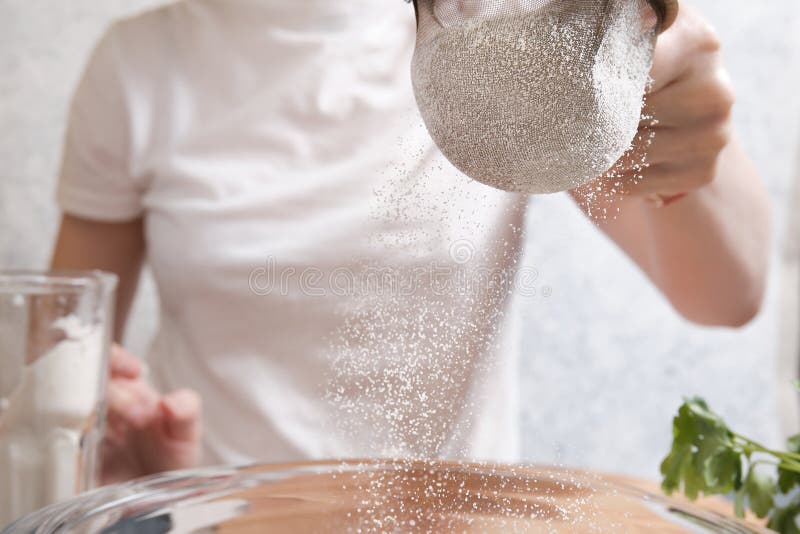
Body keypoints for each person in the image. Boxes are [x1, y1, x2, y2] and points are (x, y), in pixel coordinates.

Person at [50, 0, 770, 484]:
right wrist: (109, 448)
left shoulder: (500, 36)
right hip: (219, 517)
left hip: (460, 520)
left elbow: (725, 295)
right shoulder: (140, 64)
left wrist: (678, 104)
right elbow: (58, 365)